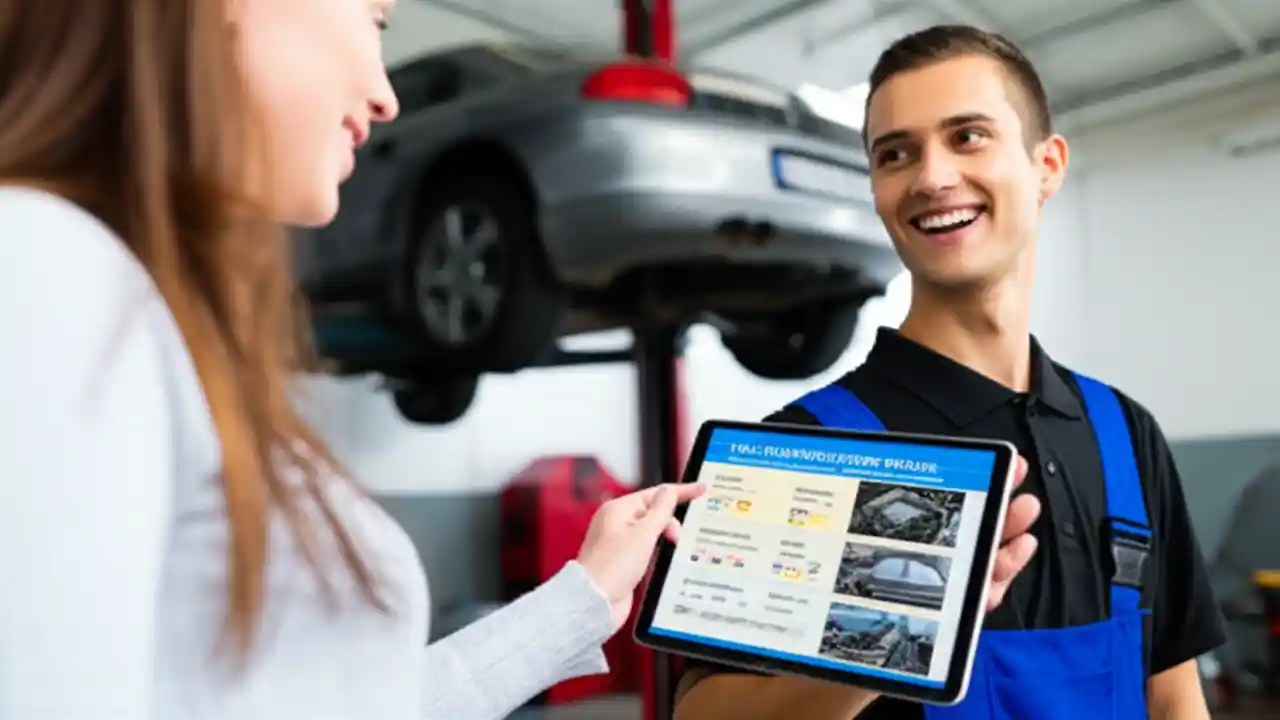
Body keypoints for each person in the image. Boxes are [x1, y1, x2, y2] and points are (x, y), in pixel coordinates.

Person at [0, 2, 709, 718]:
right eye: (376, 21)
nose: (386, 94)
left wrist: (580, 600)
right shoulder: (49, 266)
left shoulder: (107, 298)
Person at [674, 24, 1225, 720]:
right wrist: (893, 635)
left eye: (967, 137)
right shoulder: (803, 450)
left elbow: (1174, 696)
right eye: (895, 153)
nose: (931, 178)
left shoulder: (1125, 433)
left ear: (1047, 165)